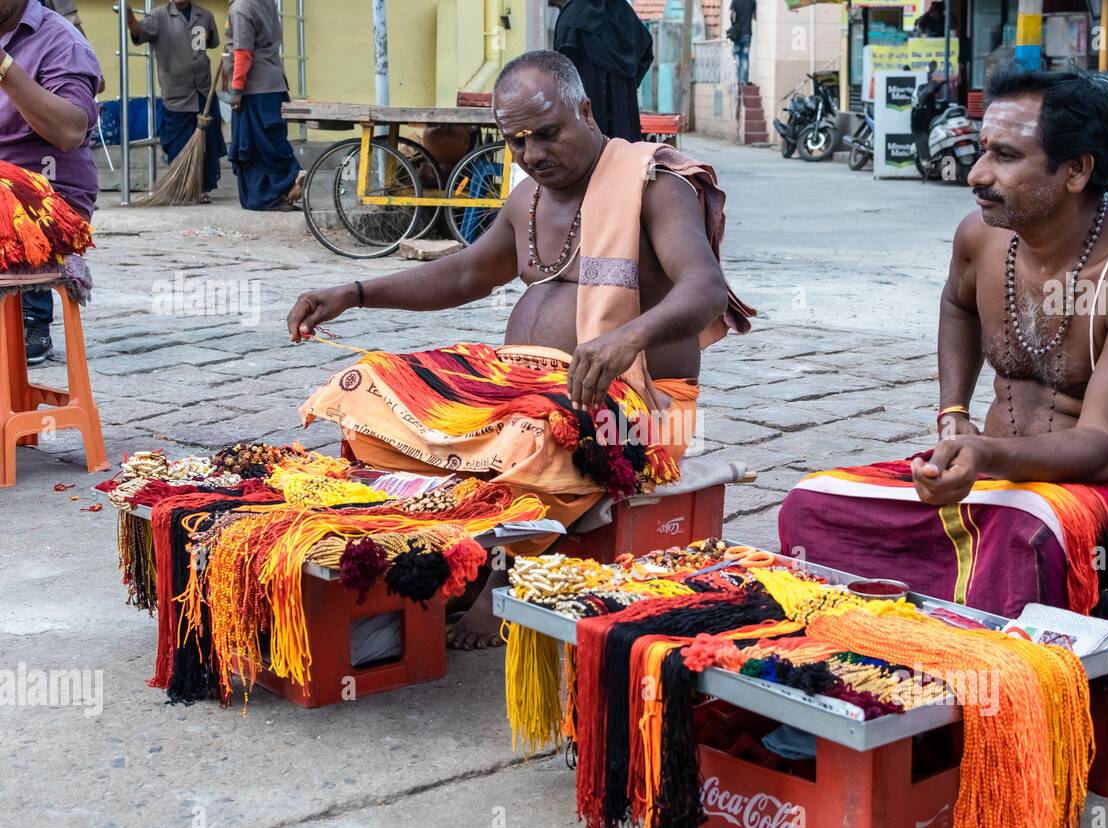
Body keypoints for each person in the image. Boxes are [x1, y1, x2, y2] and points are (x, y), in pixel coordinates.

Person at [780, 69, 1108, 672]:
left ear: (1076, 170)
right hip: (1007, 476)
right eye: (980, 151)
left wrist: (983, 455)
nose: (976, 174)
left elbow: (1101, 448)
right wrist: (954, 417)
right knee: (812, 505)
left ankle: (985, 689)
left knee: (1024, 540)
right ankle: (884, 663)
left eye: (1005, 156)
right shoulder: (980, 235)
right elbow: (956, 302)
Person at [286, 51, 753, 647]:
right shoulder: (528, 197)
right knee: (369, 390)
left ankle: (501, 569)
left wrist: (625, 337)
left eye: (548, 134)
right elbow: (464, 275)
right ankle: (425, 550)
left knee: (539, 436)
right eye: (517, 142)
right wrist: (353, 292)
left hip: (642, 405)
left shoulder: (653, 184)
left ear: (585, 110)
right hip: (520, 387)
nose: (533, 154)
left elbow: (705, 287)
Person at [0, 0, 101, 365]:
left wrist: (4, 67)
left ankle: (32, 319)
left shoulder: (61, 40)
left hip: (51, 202)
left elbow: (70, 130)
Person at [126, 1, 224, 200]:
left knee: (207, 143)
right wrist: (128, 17)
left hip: (203, 89)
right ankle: (182, 187)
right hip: (177, 92)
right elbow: (139, 31)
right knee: (179, 143)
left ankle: (201, 188)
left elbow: (212, 42)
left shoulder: (204, 15)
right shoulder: (158, 16)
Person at [224, 0, 301, 210]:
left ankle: (277, 189)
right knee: (272, 139)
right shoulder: (265, 2)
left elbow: (243, 52)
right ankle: (287, 184)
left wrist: (237, 88)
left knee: (254, 146)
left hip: (254, 88)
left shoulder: (241, 8)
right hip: (275, 83)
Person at [553, 0, 652, 142]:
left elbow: (561, 68)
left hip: (585, 111)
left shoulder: (575, 13)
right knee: (622, 156)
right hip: (623, 111)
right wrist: (629, 83)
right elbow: (646, 50)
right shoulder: (624, 13)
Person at [727, 0, 756, 86]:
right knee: (745, 57)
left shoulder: (735, 1)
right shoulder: (752, 2)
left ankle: (738, 79)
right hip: (747, 33)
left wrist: (733, 24)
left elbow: (731, 16)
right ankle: (744, 80)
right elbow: (755, 17)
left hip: (737, 33)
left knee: (736, 54)